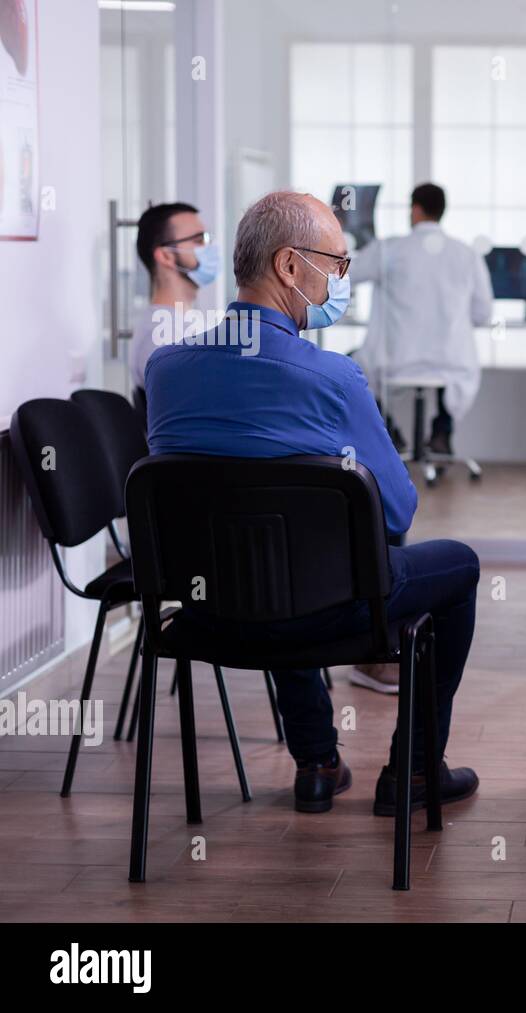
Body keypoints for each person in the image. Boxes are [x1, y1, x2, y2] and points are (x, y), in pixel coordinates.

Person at [145, 190, 481, 815]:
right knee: (457, 565)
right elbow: (399, 512)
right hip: (322, 616)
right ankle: (411, 772)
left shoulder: (166, 370)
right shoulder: (333, 377)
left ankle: (317, 762)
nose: (342, 280)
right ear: (290, 267)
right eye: (338, 264)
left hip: (204, 613)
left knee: (262, 551)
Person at [351, 183, 493, 461]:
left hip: (396, 361)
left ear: (415, 210)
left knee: (353, 367)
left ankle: (389, 432)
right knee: (449, 370)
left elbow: (347, 275)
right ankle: (442, 431)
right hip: (451, 364)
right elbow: (483, 313)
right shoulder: (466, 254)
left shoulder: (389, 250)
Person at [129, 202, 220, 417]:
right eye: (199, 240)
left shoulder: (189, 323)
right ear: (166, 256)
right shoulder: (160, 338)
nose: (210, 248)